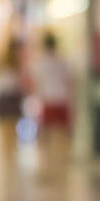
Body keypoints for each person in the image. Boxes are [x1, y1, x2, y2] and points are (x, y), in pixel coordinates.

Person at [33, 32, 73, 173]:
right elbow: (69, 82)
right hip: (62, 101)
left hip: (49, 102)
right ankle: (61, 164)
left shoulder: (41, 63)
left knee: (48, 136)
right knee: (61, 135)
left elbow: (38, 85)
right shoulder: (63, 61)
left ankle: (50, 166)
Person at [0, 41, 25, 163]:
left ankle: (7, 155)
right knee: (11, 128)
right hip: (12, 98)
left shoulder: (3, 66)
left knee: (6, 129)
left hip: (6, 98)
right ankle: (10, 154)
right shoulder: (15, 66)